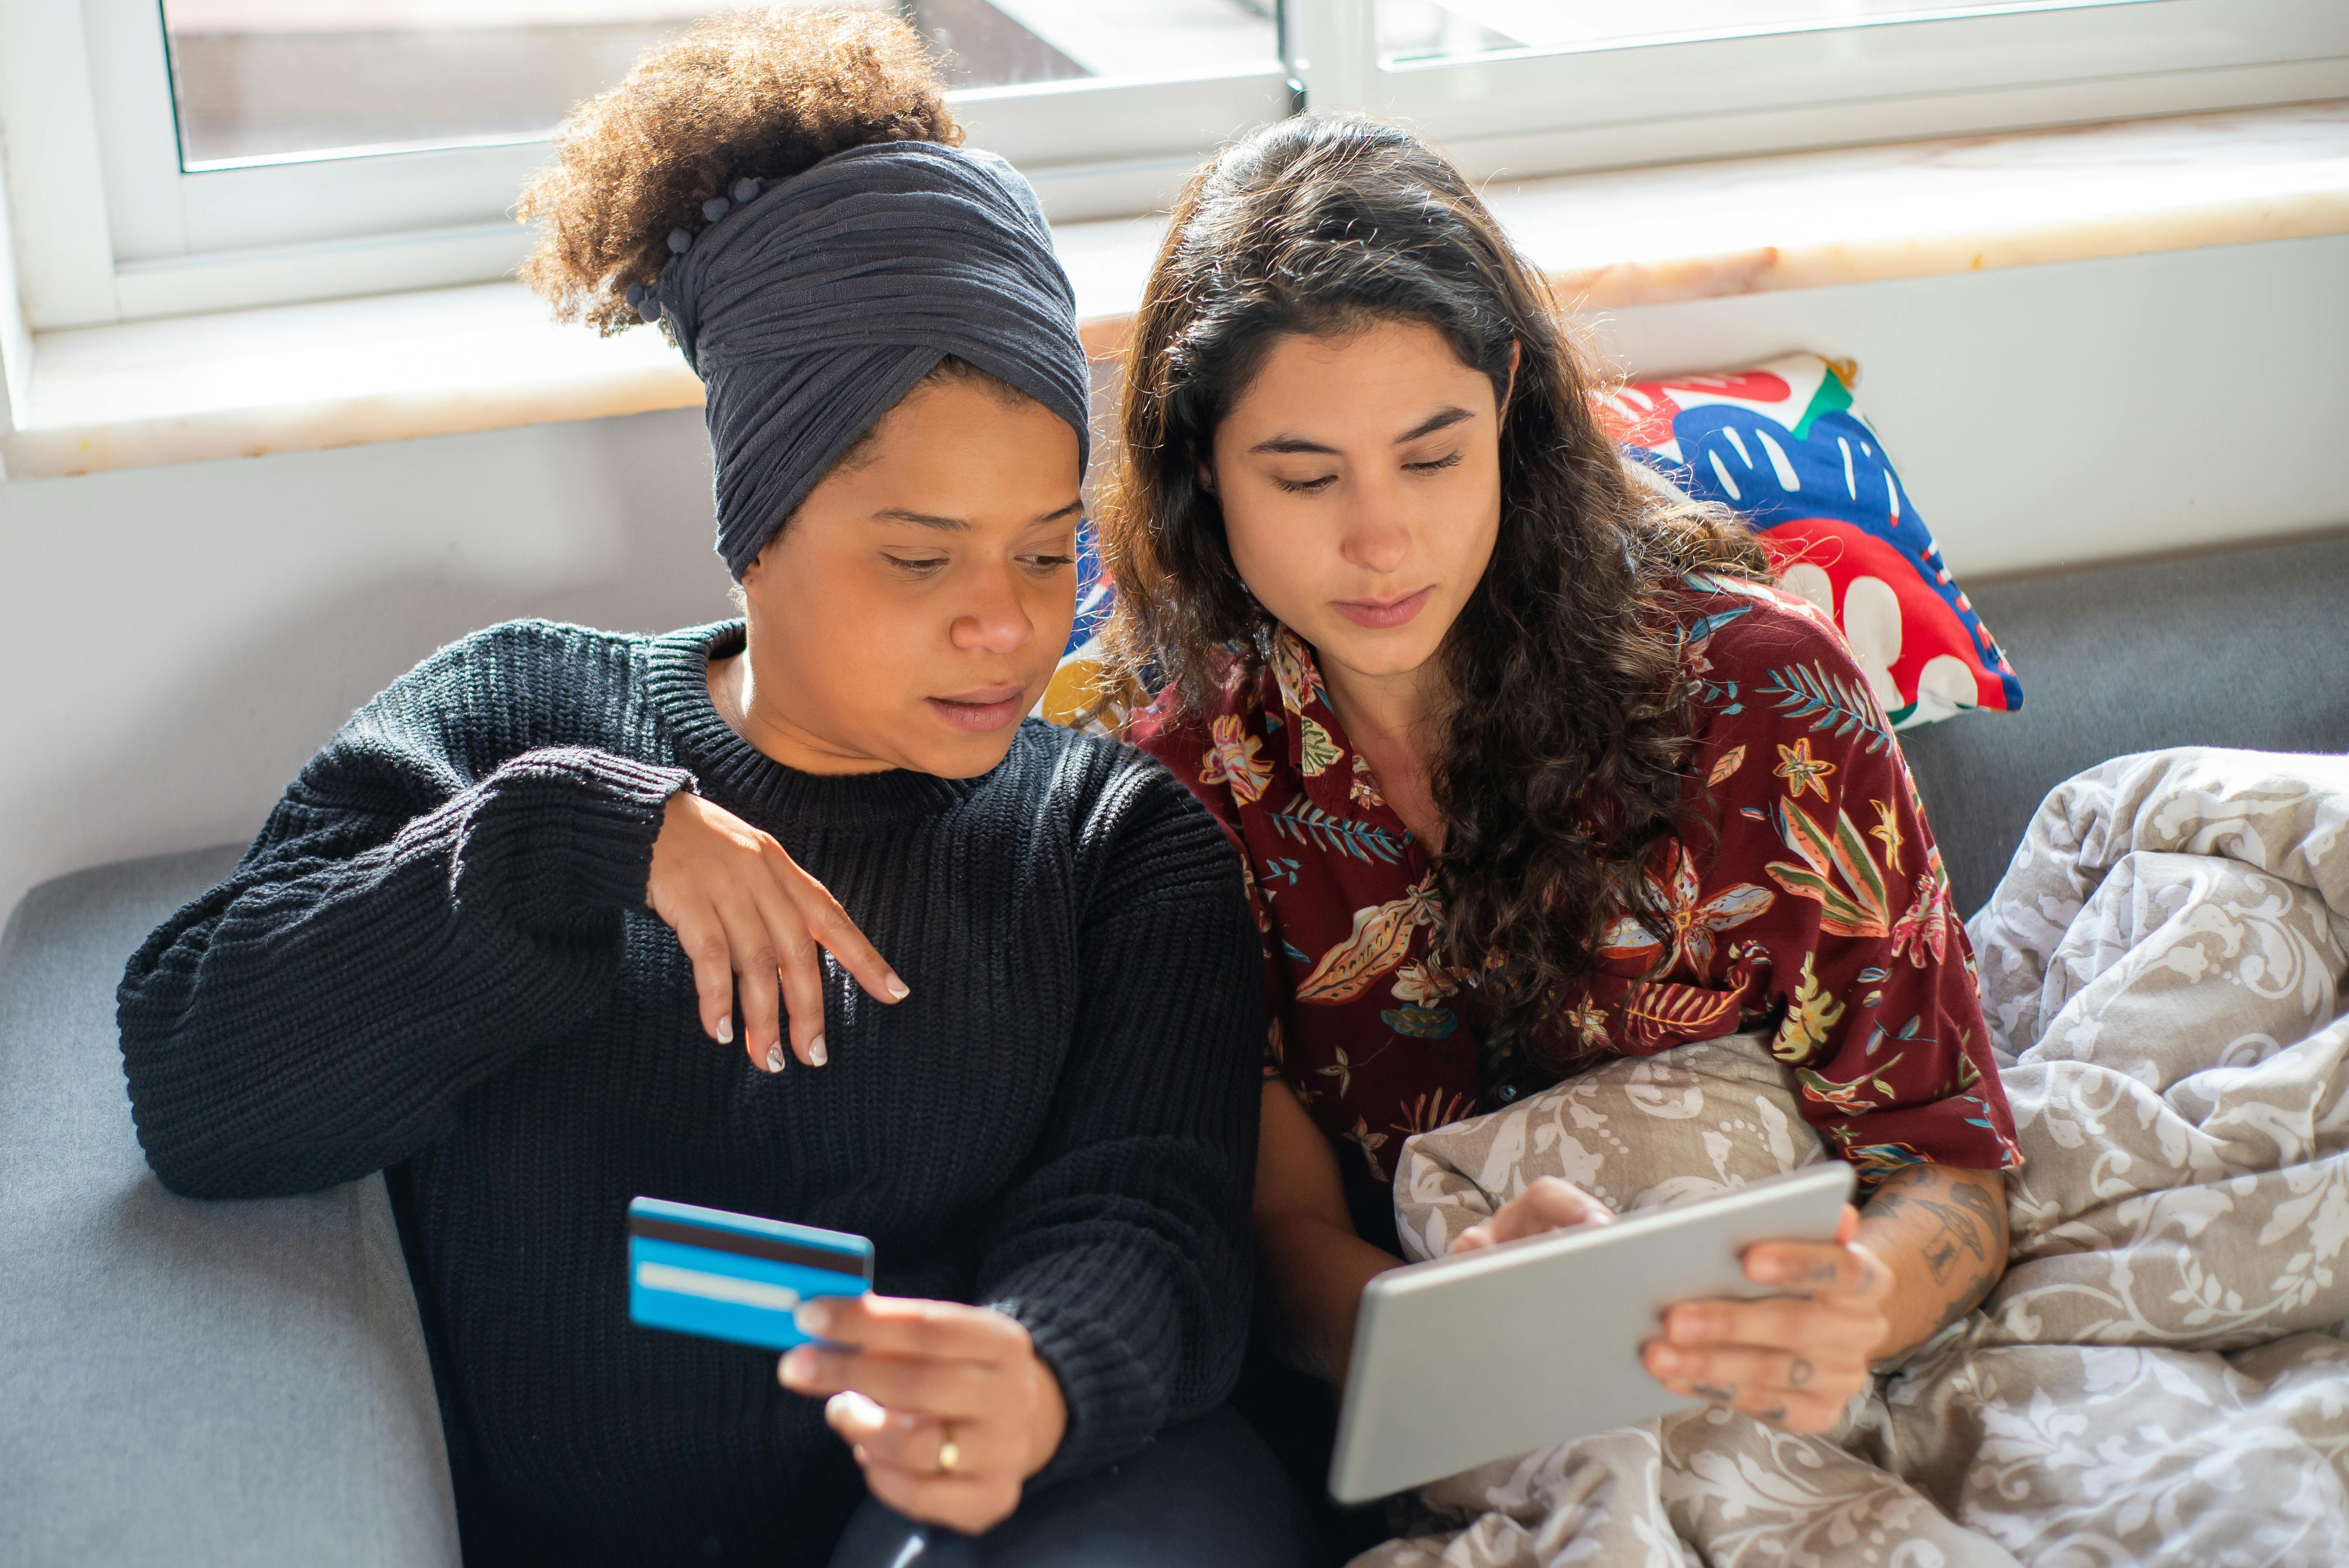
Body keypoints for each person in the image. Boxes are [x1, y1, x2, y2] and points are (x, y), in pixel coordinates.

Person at [116, 15, 1317, 1566]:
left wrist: (1037, 1372)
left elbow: (1147, 1213)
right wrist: (567, 837)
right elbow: (201, 1079)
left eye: (1042, 548)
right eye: (916, 556)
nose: (1009, 624)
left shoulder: (1113, 844)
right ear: (751, 526)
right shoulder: (516, 715)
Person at [1106, 113, 2023, 1517]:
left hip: (1809, 1408)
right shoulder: (1185, 784)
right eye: (1302, 477)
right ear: (1199, 467)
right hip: (1444, 1436)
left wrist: (1866, 1297)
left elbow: (1946, 1164)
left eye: (1432, 456)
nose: (1381, 541)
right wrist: (1443, 1321)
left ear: (1511, 404)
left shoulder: (1767, 706)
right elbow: (1280, 1241)